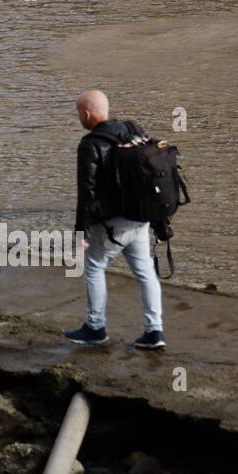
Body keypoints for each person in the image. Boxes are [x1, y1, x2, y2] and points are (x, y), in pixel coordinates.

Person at [63, 89, 165, 350]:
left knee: (94, 267)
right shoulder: (133, 130)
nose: (79, 118)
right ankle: (155, 331)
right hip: (140, 217)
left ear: (87, 114)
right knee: (145, 272)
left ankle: (95, 327)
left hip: (110, 225)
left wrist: (79, 232)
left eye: (79, 114)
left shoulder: (90, 144)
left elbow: (86, 192)